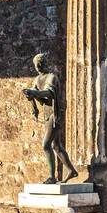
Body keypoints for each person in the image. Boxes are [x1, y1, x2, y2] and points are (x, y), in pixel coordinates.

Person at [23, 52, 78, 184]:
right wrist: (32, 103)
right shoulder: (37, 79)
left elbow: (48, 93)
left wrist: (34, 93)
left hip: (55, 113)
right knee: (56, 146)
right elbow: (34, 94)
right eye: (36, 65)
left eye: (40, 64)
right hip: (47, 114)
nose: (38, 67)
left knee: (46, 145)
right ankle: (71, 170)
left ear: (44, 63)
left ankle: (52, 177)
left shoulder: (51, 77)